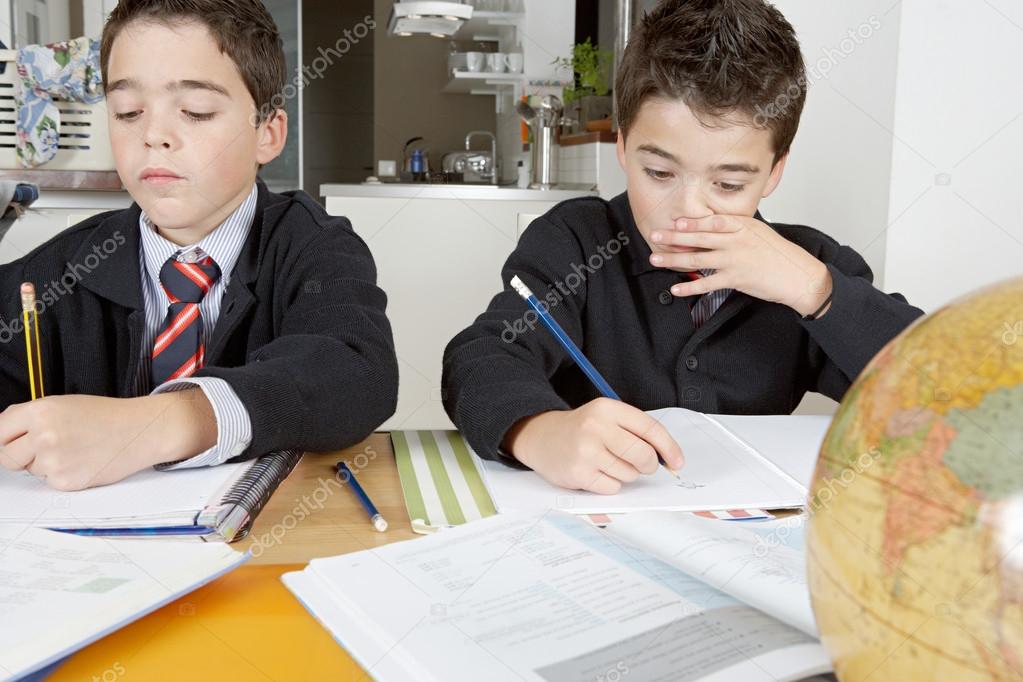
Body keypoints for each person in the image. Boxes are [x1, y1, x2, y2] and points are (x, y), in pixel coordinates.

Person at [442, 0, 923, 494]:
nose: (688, 210)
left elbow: (947, 392)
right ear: (624, 147)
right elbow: (479, 359)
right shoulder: (574, 242)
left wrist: (816, 290)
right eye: (659, 173)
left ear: (775, 171)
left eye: (729, 184)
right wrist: (537, 430)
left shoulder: (808, 264)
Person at [0, 0, 398, 491]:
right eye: (127, 112)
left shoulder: (314, 248)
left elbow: (357, 371)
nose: (154, 136)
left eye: (196, 111)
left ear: (268, 134)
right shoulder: (58, 270)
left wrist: (157, 424)